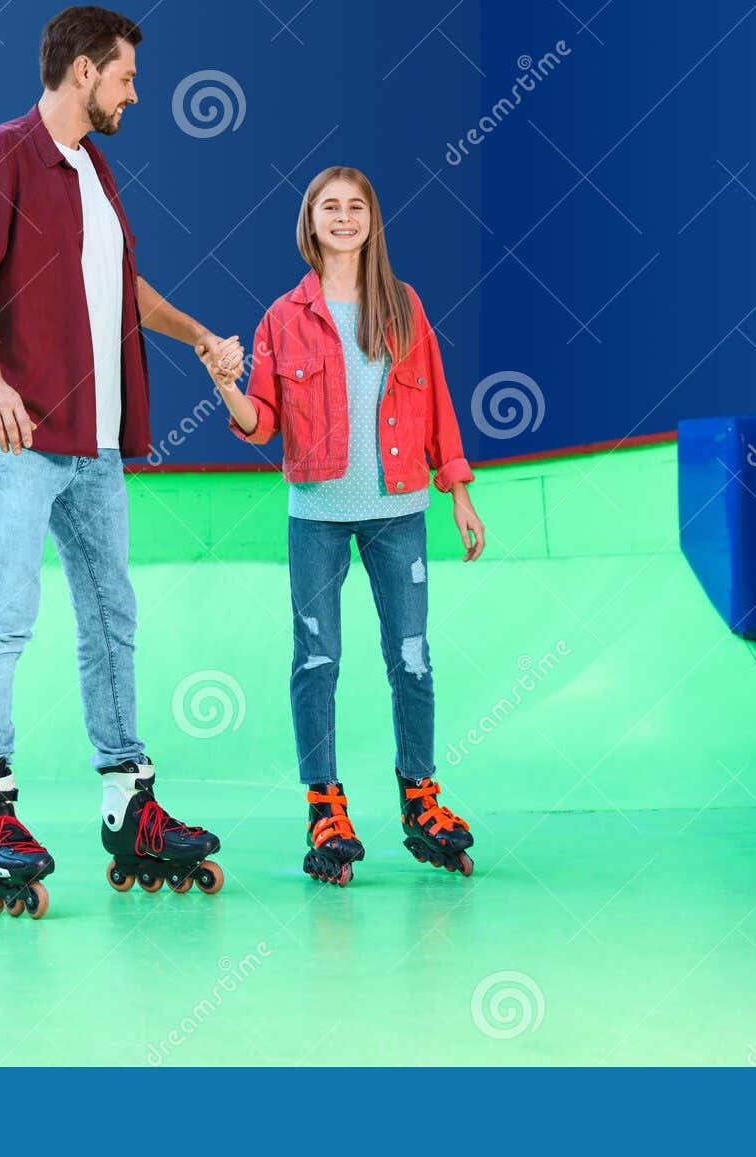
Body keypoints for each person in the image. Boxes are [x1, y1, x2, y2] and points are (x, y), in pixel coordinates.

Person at [0, 6, 240, 917]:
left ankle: (127, 804)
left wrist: (197, 337)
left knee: (112, 617)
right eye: (126, 76)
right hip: (20, 435)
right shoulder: (1, 153)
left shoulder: (94, 172)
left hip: (96, 444)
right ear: (84, 71)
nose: (135, 92)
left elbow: (121, 289)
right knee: (6, 613)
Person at [205, 166, 487, 887]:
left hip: (401, 511)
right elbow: (261, 423)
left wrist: (458, 490)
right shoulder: (282, 318)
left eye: (356, 205)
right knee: (316, 661)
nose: (343, 217)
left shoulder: (405, 305)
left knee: (413, 658)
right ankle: (325, 805)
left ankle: (421, 799)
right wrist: (226, 387)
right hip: (318, 517)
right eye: (330, 206)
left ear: (371, 221)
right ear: (311, 221)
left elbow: (440, 404)